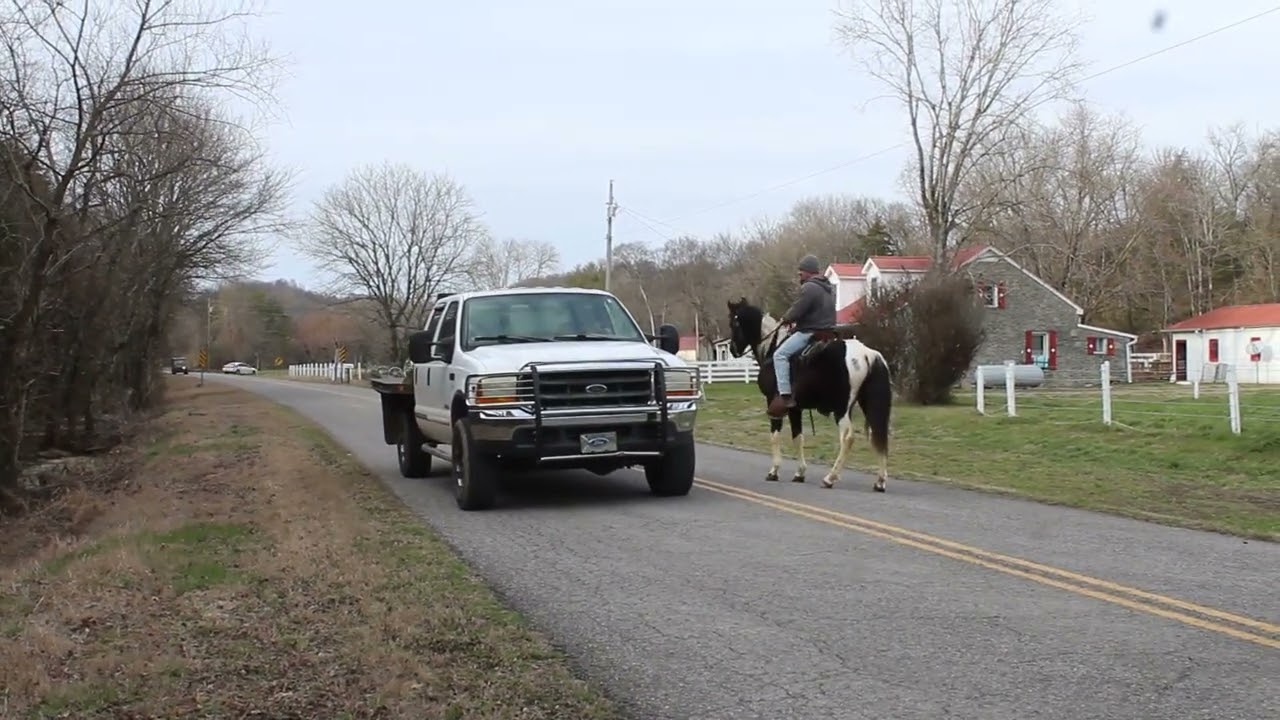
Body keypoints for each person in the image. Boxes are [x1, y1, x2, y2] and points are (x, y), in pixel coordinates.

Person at [768, 254, 837, 417]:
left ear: (809, 272)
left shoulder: (809, 287)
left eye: (801, 271)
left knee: (780, 355)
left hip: (810, 332)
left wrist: (786, 319)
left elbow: (799, 308)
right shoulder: (829, 288)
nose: (799, 274)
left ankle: (785, 396)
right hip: (828, 330)